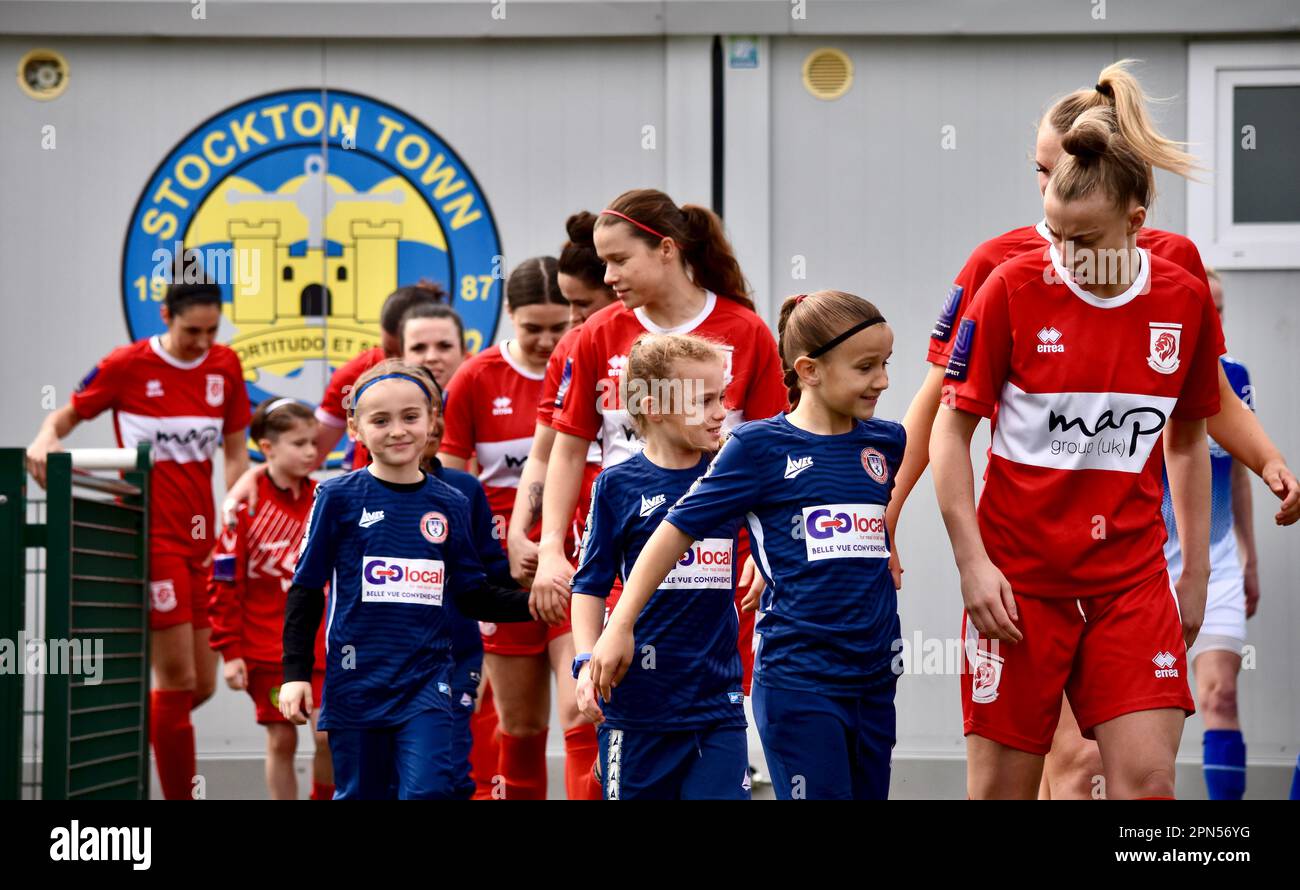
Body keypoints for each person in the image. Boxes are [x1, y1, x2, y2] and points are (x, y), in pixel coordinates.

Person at [930, 108, 1224, 799]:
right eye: (1055, 236)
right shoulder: (1011, 288)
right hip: (1018, 587)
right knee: (1003, 792)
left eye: (1084, 240)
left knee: (1148, 787)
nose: (1063, 257)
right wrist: (972, 564)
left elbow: (1189, 436)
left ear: (1135, 218)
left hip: (1131, 583)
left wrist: (1196, 575)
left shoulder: (1183, 300)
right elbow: (950, 431)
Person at [588, 291, 903, 799]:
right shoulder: (756, 447)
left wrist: (887, 543)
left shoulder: (887, 442)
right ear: (810, 370)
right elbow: (673, 531)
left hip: (874, 676)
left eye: (886, 364)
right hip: (801, 677)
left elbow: (857, 513)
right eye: (866, 367)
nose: (883, 380)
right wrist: (619, 624)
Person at [534, 189, 788, 703]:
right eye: (604, 262)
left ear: (667, 250)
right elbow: (567, 448)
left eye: (620, 259)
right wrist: (548, 549)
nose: (607, 277)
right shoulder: (598, 334)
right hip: (623, 545)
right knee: (609, 700)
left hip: (718, 553)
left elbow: (773, 452)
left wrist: (766, 553)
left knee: (714, 705)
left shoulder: (746, 331)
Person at [26, 277, 252, 800]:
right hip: (153, 538)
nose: (202, 341)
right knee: (175, 684)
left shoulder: (225, 366)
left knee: (200, 687)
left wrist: (235, 510)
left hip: (205, 544)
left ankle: (126, 726)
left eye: (212, 329)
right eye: (191, 330)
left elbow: (236, 451)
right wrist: (45, 437)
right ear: (165, 315)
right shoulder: (127, 365)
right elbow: (65, 415)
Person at [279, 360, 535, 799]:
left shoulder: (452, 503)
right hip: (356, 680)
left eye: (410, 417)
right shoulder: (337, 497)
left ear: (432, 421)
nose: (397, 430)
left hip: (426, 683)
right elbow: (305, 589)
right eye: (380, 421)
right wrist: (295, 673)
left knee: (428, 791)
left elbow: (472, 596)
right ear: (355, 429)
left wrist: (541, 603)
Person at [571, 333, 747, 799]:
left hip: (717, 703)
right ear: (654, 407)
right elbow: (588, 584)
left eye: (722, 397)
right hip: (636, 705)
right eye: (703, 400)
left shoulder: (732, 474)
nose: (720, 412)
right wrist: (586, 661)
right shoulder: (617, 485)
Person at [439, 256, 585, 800]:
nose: (548, 340)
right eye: (533, 328)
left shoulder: (583, 366)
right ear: (509, 316)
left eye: (559, 325)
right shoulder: (476, 377)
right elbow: (451, 490)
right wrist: (480, 561)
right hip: (506, 576)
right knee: (520, 726)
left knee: (581, 711)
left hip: (574, 566)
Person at [222, 282, 454, 520]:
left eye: (411, 417)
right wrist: (255, 475)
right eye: (389, 350)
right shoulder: (356, 375)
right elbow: (311, 451)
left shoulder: (468, 376)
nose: (390, 362)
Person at [208, 398, 332, 800]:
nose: (312, 452)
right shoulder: (243, 506)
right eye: (300, 443)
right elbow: (224, 582)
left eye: (315, 443)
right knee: (282, 738)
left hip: (324, 647)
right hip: (266, 650)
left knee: (329, 735)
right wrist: (229, 651)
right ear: (267, 447)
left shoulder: (326, 499)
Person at [414, 374, 517, 799]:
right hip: (377, 669)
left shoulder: (464, 490)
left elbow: (485, 579)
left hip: (454, 659)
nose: (430, 424)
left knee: (449, 777)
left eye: (434, 412)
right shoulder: (346, 495)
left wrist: (545, 599)